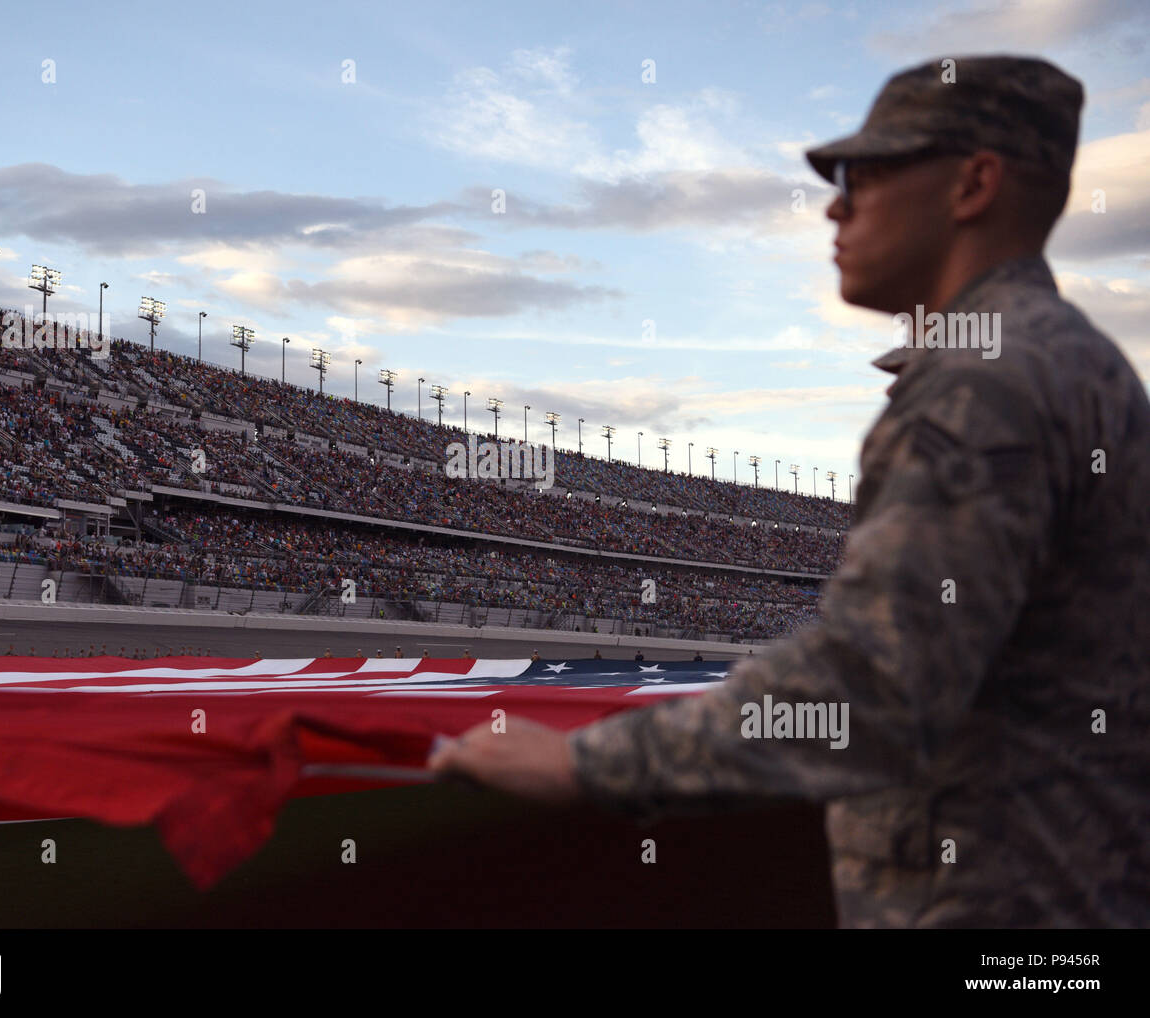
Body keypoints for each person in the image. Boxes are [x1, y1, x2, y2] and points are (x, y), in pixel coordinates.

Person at [429, 56, 1150, 928]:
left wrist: (583, 763)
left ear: (974, 184)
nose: (836, 206)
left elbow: (867, 691)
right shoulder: (1081, 364)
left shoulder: (982, 384)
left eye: (864, 175)